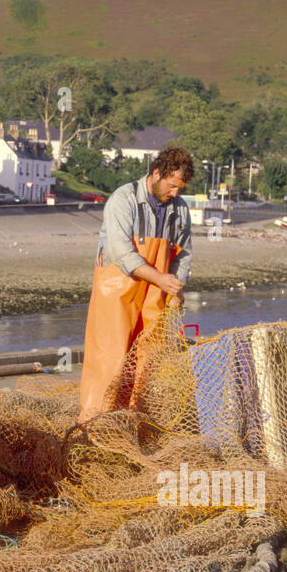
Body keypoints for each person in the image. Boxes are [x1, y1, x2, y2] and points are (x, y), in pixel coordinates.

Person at [77, 146, 195, 420]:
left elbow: (183, 254)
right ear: (156, 173)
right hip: (116, 291)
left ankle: (137, 424)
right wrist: (162, 280)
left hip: (156, 292)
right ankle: (95, 425)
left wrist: (176, 289)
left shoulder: (180, 209)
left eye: (181, 188)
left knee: (148, 361)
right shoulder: (123, 199)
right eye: (172, 185)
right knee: (110, 360)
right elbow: (121, 253)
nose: (175, 193)